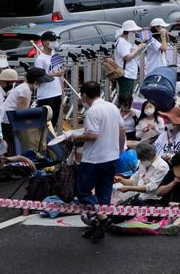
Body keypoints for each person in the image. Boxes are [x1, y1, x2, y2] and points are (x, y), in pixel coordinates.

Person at [74, 80, 124, 242]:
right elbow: (122, 129)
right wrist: (120, 149)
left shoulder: (92, 111)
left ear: (84, 96)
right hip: (112, 157)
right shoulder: (112, 107)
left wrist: (74, 137)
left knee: (83, 191)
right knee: (104, 192)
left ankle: (103, 219)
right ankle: (99, 227)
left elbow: (92, 135)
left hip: (94, 159)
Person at [113, 20, 144, 106]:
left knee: (128, 98)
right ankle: (121, 112)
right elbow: (127, 57)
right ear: (129, 32)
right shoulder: (121, 42)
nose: (134, 34)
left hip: (130, 74)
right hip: (125, 74)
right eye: (133, 32)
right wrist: (138, 48)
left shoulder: (127, 42)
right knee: (125, 98)